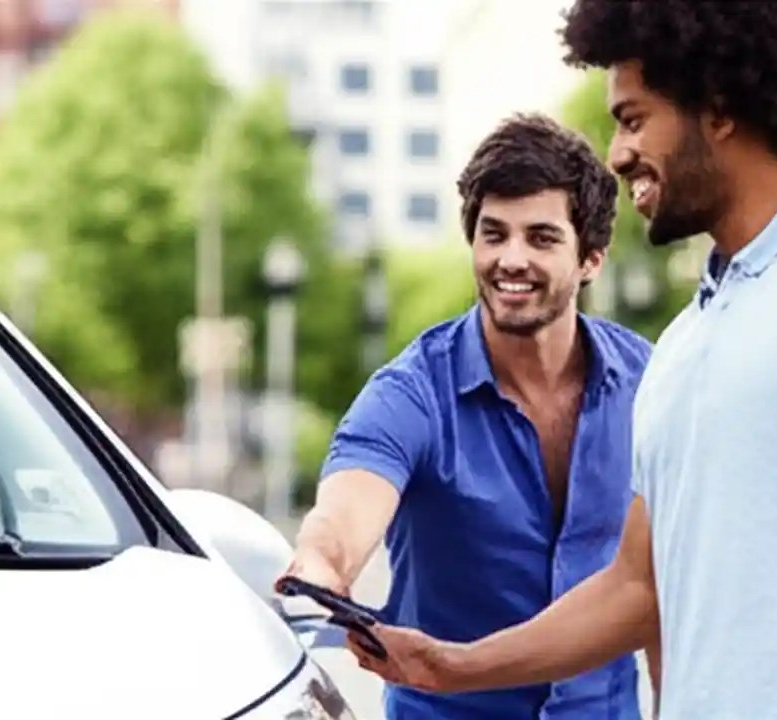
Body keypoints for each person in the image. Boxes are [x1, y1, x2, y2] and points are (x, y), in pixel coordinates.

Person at [343, 2, 777, 718]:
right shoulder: (684, 346)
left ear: (716, 110)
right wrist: (454, 665)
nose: (618, 153)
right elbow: (638, 586)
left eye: (633, 119)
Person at [275, 112, 654, 719]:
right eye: (493, 233)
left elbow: (664, 581)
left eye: (541, 237)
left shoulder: (652, 385)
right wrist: (324, 559)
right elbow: (347, 509)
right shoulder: (412, 392)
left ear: (591, 260)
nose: (511, 258)